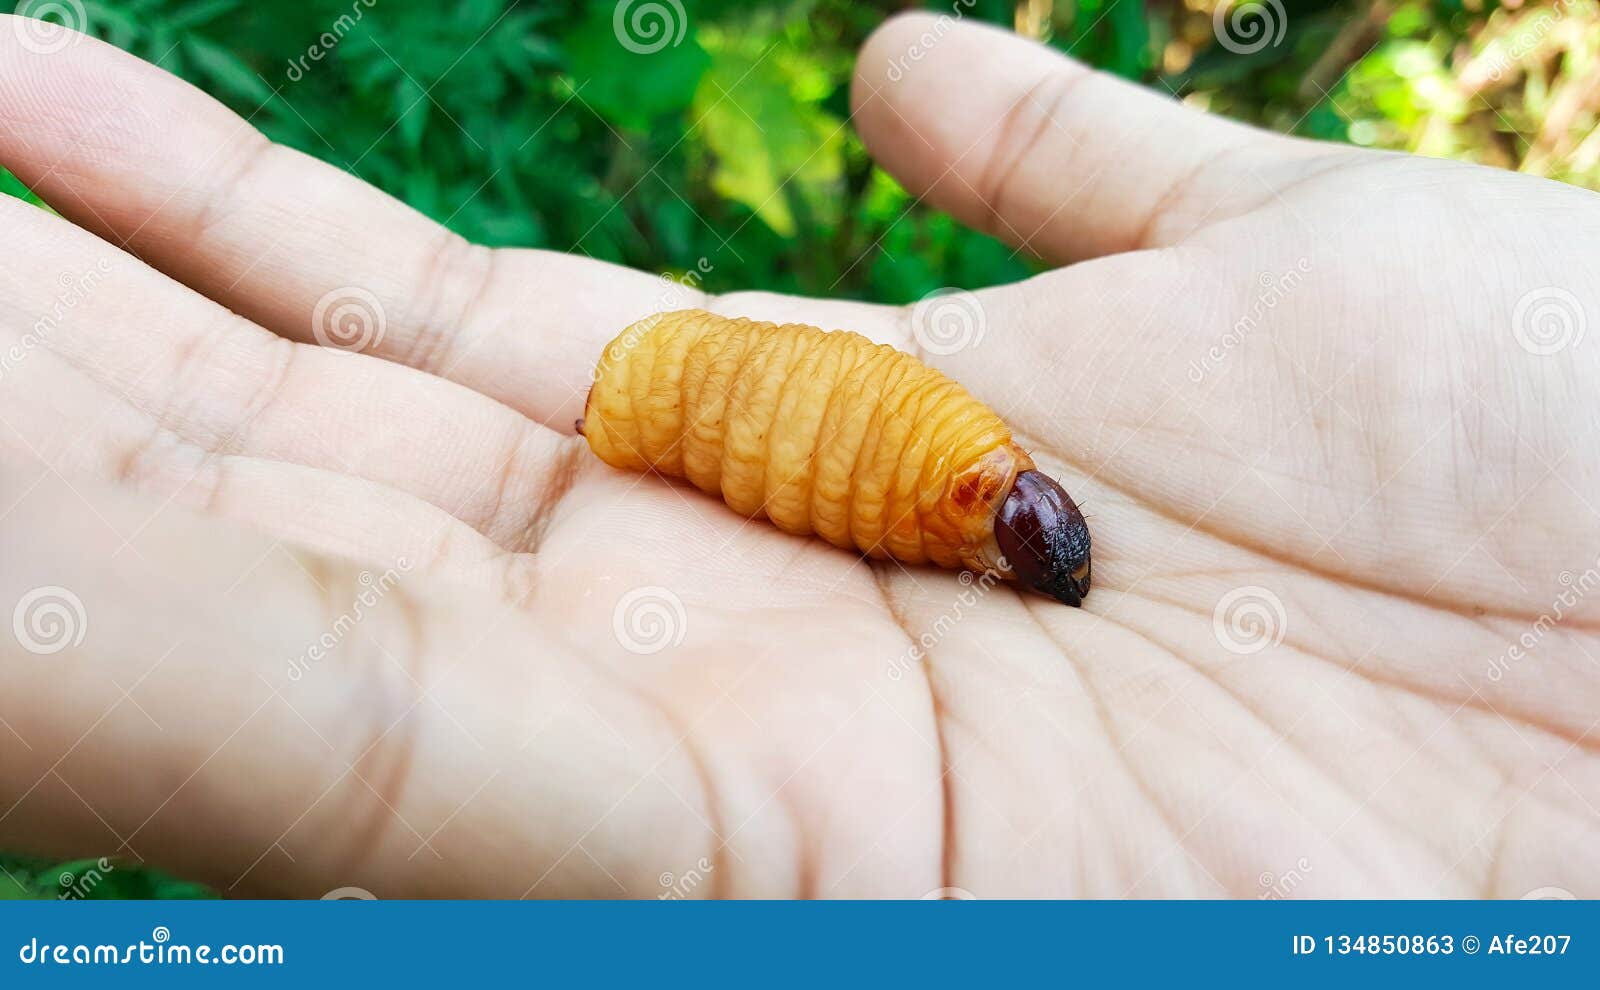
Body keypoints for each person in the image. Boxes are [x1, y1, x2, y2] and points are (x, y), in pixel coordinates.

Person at [0, 11, 1594, 899]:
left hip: (729, 404)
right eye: (1008, 524)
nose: (1018, 542)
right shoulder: (939, 465)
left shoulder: (958, 479)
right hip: (678, 389)